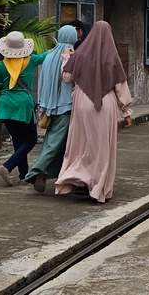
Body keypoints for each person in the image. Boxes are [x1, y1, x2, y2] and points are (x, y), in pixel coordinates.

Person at [55, 21, 132, 203]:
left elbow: (67, 78)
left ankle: (75, 178)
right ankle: (98, 187)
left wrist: (66, 59)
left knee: (80, 142)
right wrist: (126, 111)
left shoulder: (79, 55)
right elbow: (120, 87)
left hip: (82, 101)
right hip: (106, 104)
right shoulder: (112, 58)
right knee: (102, 146)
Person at [0, 31, 48, 186]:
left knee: (19, 141)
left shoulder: (1, 65)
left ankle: (23, 174)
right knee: (31, 140)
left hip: (5, 106)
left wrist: (5, 85)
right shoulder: (31, 60)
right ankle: (7, 166)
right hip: (23, 105)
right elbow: (46, 56)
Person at [24, 25, 77, 193]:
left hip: (48, 107)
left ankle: (47, 175)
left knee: (56, 143)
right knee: (54, 144)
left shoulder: (49, 56)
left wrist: (43, 104)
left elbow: (43, 82)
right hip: (65, 107)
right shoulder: (70, 55)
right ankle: (35, 172)